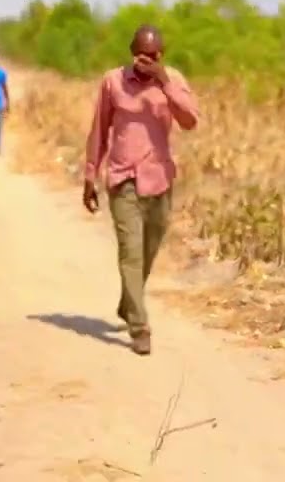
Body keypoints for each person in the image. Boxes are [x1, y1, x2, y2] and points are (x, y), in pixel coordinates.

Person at [81, 25, 198, 356]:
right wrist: (90, 174)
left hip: (159, 178)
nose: (146, 60)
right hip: (123, 179)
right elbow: (99, 130)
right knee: (130, 252)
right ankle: (139, 326)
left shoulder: (172, 80)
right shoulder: (113, 82)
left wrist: (163, 81)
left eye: (153, 55)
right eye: (141, 55)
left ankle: (128, 303)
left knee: (148, 250)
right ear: (132, 53)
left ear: (161, 55)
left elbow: (190, 120)